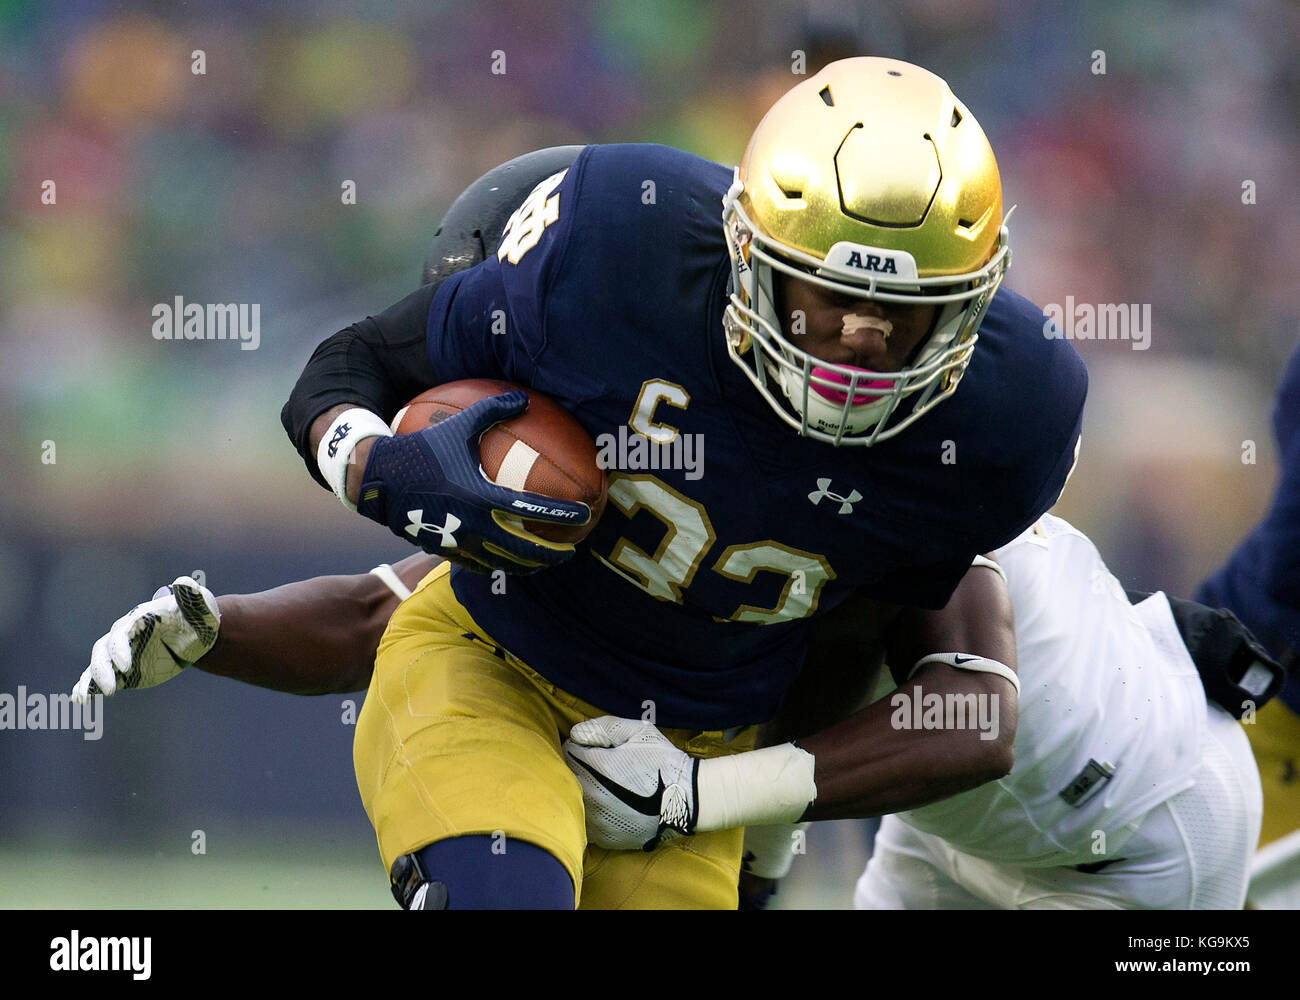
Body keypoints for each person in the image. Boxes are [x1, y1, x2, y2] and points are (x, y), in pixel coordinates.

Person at [82, 57, 1090, 908]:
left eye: (899, 313)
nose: (857, 337)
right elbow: (359, 364)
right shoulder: (622, 256)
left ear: (969, 305)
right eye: (825, 294)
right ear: (747, 253)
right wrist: (373, 463)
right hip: (492, 670)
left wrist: (728, 802)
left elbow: (915, 681)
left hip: (692, 748)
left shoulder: (1001, 420)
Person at [586, 514, 1270, 909]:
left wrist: (693, 794)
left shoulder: (923, 504)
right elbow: (818, 693)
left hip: (1145, 836)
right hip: (956, 834)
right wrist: (753, 875)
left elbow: (972, 726)